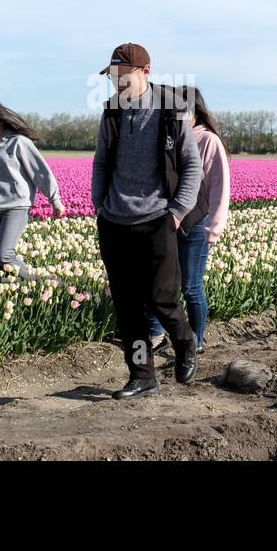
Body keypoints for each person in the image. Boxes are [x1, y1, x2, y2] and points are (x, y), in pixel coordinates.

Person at [91, 43, 202, 399]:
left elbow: (191, 165)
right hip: (115, 221)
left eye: (123, 77)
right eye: (112, 78)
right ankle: (142, 375)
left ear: (146, 72)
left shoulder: (172, 108)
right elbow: (101, 162)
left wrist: (176, 212)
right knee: (127, 307)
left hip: (157, 219)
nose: (117, 85)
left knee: (162, 297)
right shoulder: (111, 112)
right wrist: (100, 204)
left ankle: (185, 341)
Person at [147, 86, 229, 356]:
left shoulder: (208, 141)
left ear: (194, 111)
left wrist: (213, 228)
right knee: (160, 282)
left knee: (191, 287)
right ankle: (157, 335)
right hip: (167, 220)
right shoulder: (167, 137)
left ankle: (197, 339)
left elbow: (219, 187)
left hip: (195, 224)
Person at [0, 98, 65, 280]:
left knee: (4, 255)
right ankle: (7, 290)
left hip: (15, 207)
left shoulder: (18, 142)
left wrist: (55, 200)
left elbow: (40, 172)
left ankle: (38, 282)